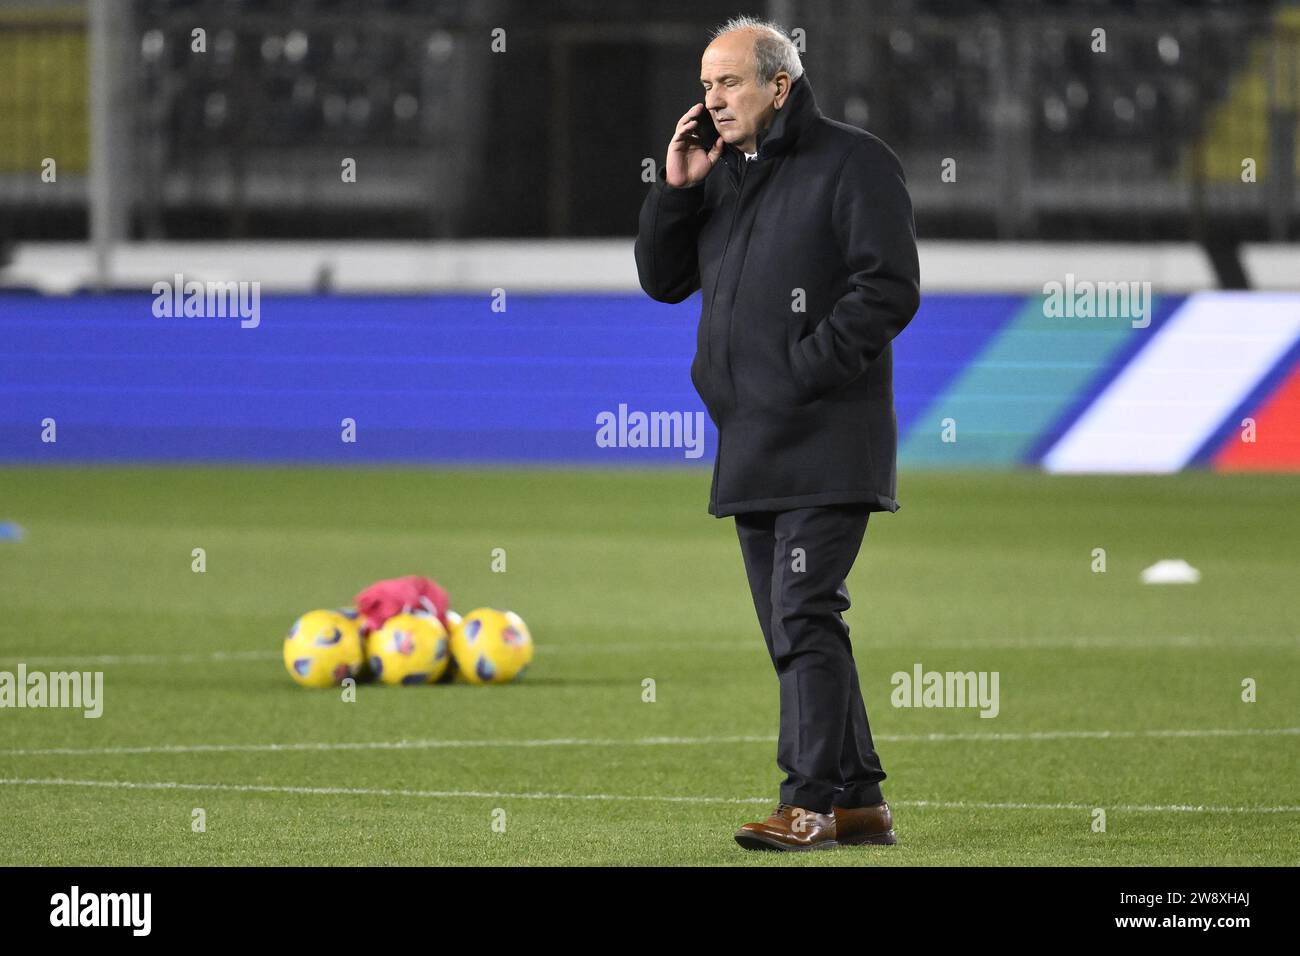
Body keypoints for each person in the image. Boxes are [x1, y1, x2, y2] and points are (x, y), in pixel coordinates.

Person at [634, 15, 921, 851]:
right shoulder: (721, 174)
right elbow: (661, 281)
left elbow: (890, 287)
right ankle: (861, 799)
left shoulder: (855, 161)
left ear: (779, 85)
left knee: (802, 612)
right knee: (796, 623)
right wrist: (676, 187)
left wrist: (805, 370)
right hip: (751, 440)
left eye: (727, 82)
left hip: (829, 436)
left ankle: (810, 804)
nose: (712, 100)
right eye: (705, 86)